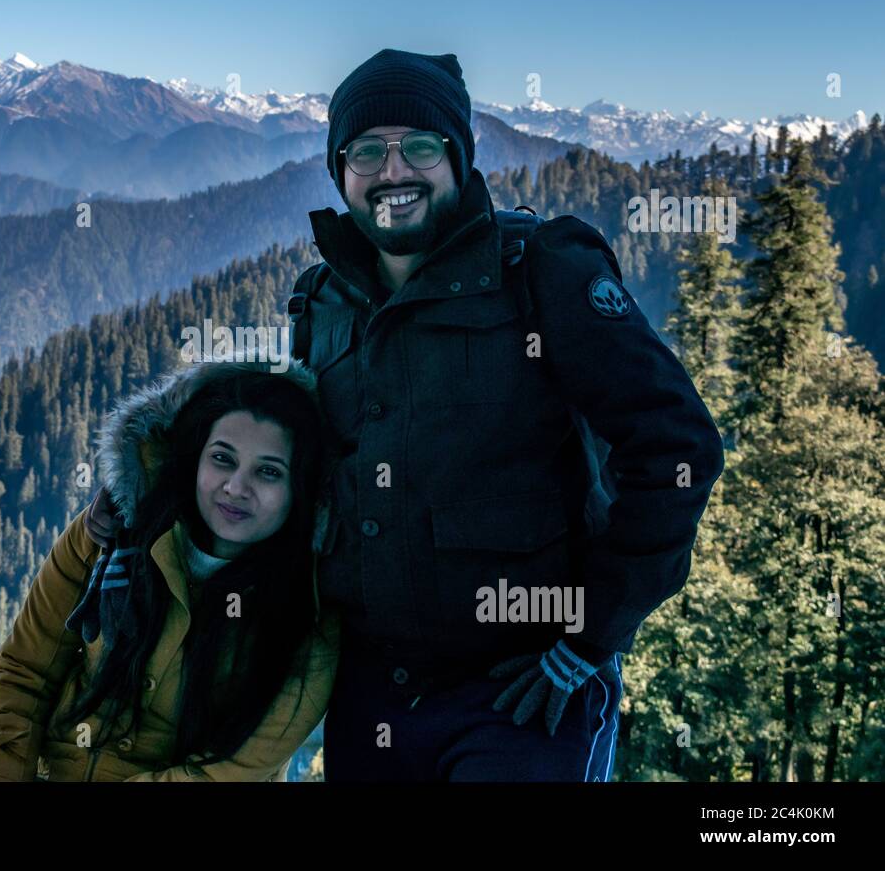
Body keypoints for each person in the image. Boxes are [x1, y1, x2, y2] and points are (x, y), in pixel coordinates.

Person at [88, 49, 725, 782]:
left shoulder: (539, 270)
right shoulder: (320, 304)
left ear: (457, 157)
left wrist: (588, 636)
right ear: (341, 172)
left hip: (523, 692)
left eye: (419, 146)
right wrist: (144, 495)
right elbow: (283, 463)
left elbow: (677, 448)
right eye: (367, 152)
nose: (393, 172)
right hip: (372, 694)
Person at [0, 357, 340, 781]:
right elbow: (25, 674)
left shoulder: (309, 626)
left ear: (301, 490)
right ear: (195, 457)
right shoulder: (109, 535)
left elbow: (222, 776)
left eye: (268, 472)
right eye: (222, 458)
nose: (236, 487)